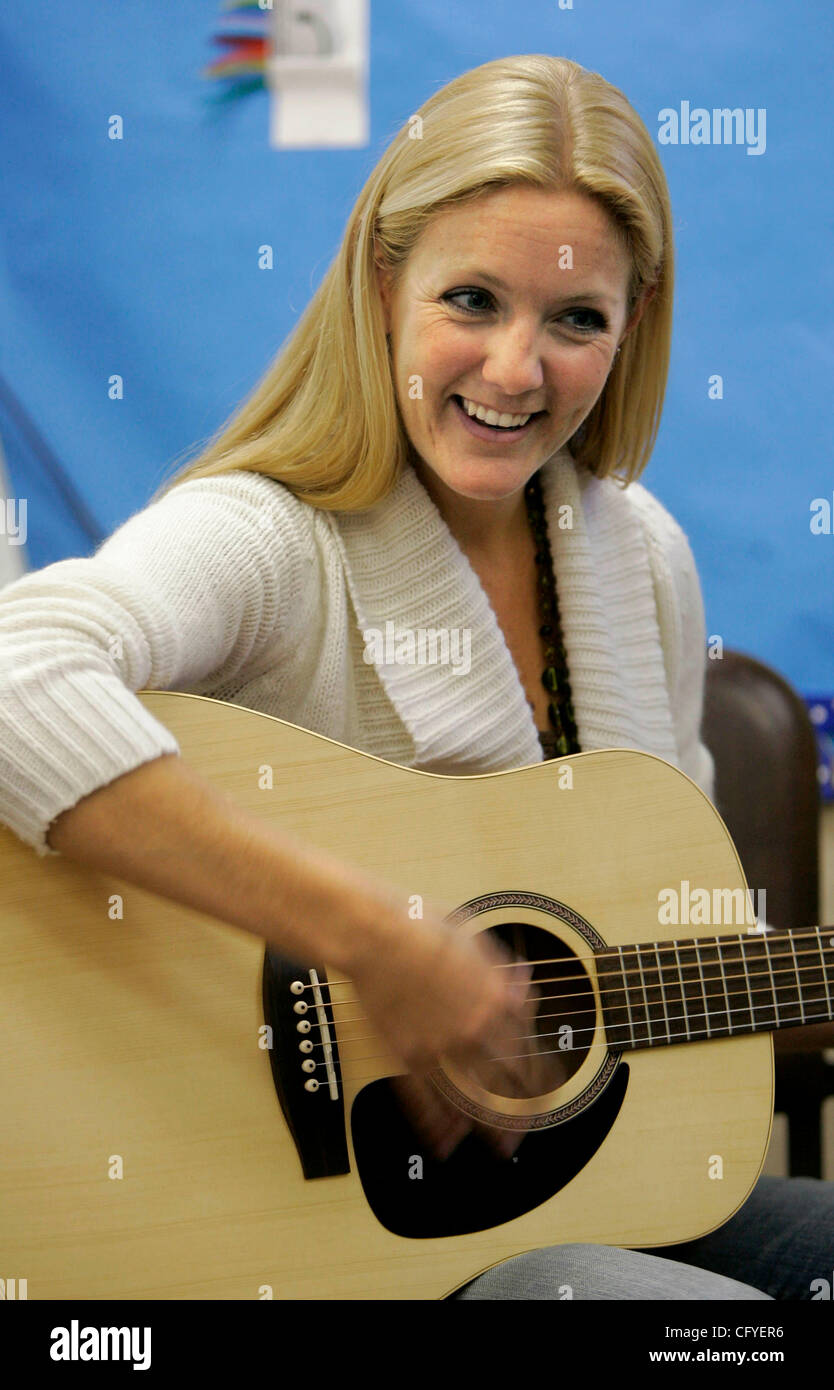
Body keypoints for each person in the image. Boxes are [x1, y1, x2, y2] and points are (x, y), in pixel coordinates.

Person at [0, 53, 831, 1300]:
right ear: (383, 288)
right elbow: (17, 675)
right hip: (315, 1247)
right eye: (472, 299)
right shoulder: (270, 538)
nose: (513, 370)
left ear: (634, 326)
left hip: (565, 1196)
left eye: (576, 320)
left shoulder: (642, 557)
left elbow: (666, 935)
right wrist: (380, 944)